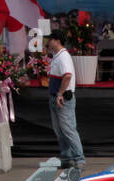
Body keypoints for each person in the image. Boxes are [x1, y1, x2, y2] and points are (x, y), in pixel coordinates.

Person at [46, 31, 85, 170]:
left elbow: (67, 76)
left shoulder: (63, 57)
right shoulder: (58, 57)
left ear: (56, 40)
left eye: (50, 40)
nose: (48, 43)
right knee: (60, 130)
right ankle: (67, 158)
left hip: (63, 98)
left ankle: (79, 159)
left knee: (68, 129)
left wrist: (60, 94)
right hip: (56, 97)